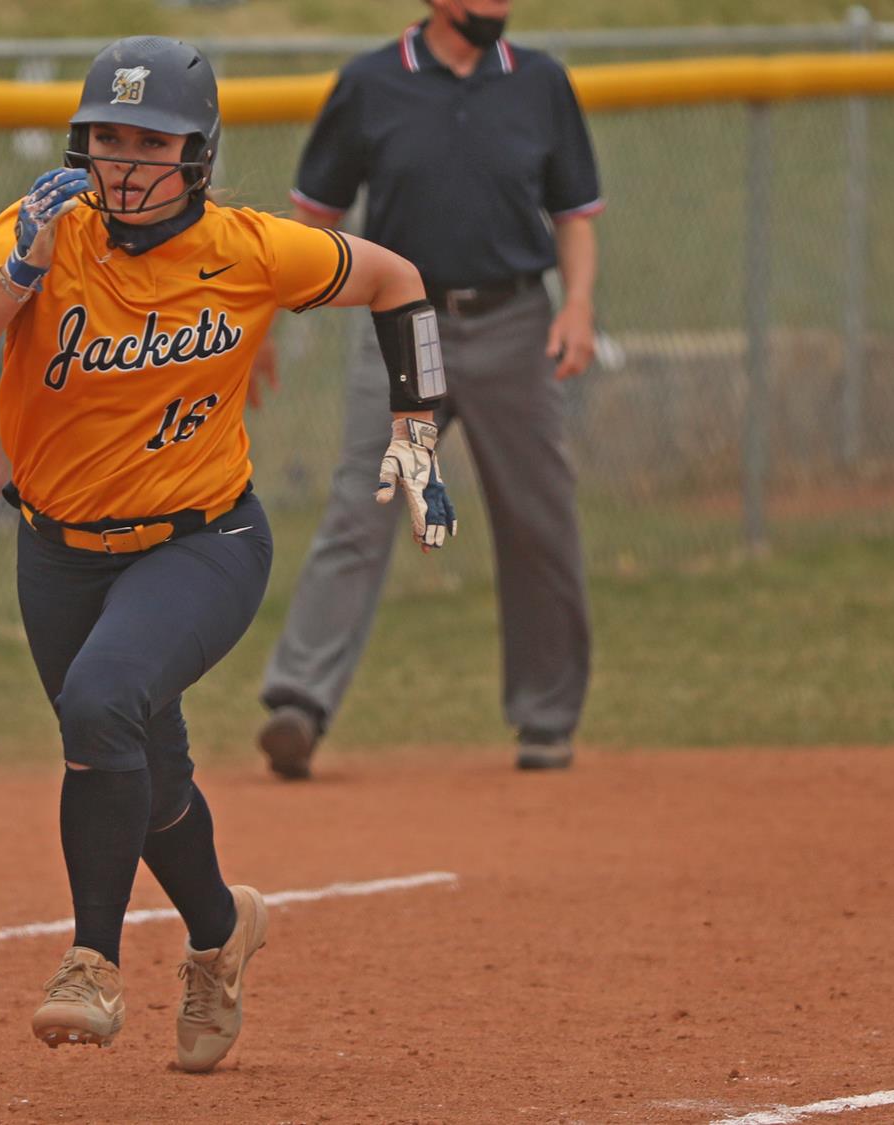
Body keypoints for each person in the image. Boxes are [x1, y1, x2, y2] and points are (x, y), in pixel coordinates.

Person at [0, 35, 456, 1072]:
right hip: (58, 552)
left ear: (198, 153)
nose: (125, 164)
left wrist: (415, 429)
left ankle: (90, 962)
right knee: (144, 776)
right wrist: (16, 275)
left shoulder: (250, 249)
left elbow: (398, 280)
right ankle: (219, 932)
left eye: (151, 143)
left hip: (204, 542)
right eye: (107, 139)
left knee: (100, 702)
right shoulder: (39, 233)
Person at [255, 0, 602, 779]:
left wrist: (578, 304)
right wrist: (263, 326)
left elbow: (573, 214)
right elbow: (313, 217)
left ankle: (546, 717)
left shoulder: (540, 82)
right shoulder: (371, 84)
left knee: (539, 519)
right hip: (403, 323)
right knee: (363, 506)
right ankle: (298, 703)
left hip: (514, 321)